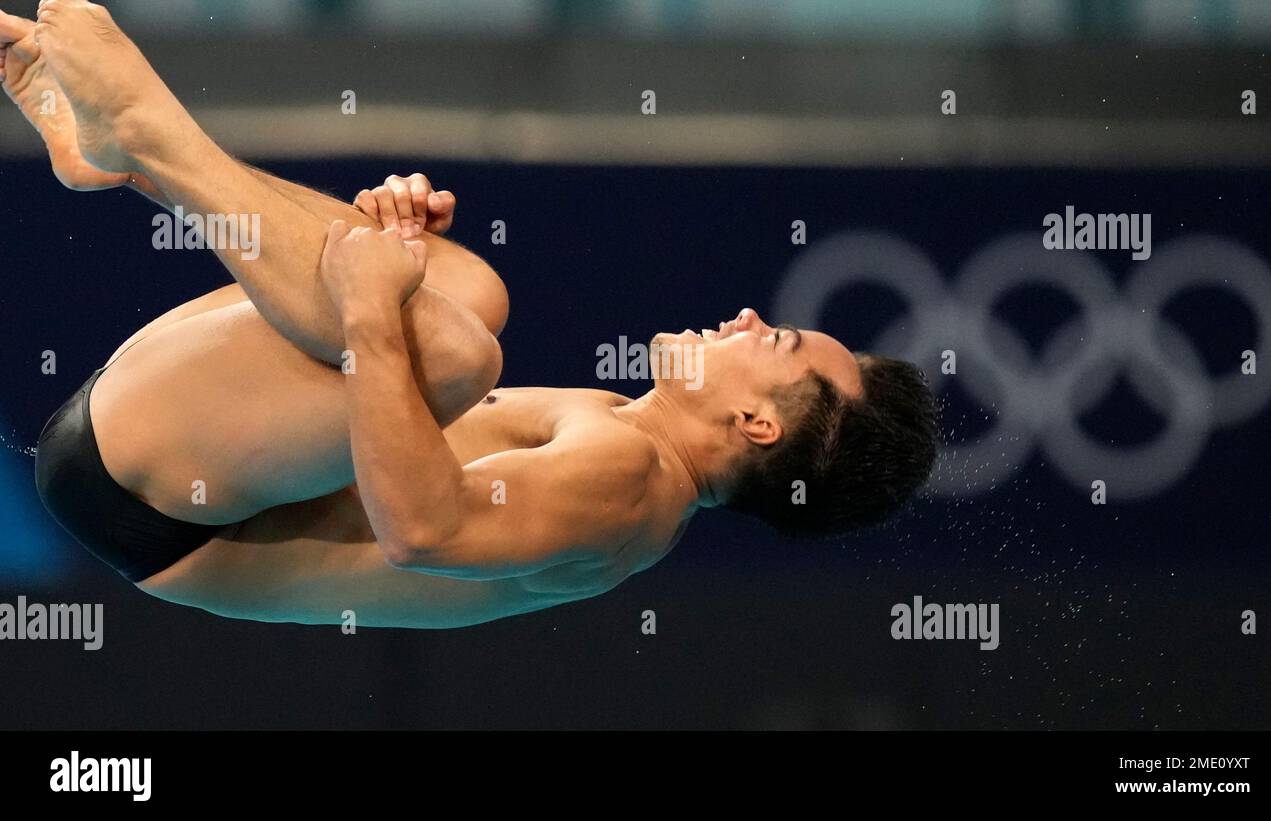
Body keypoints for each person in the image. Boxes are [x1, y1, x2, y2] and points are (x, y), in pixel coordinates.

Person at [5, 2, 938, 629]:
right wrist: (389, 258)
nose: (742, 316)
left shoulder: (628, 484)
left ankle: (144, 132)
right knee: (460, 290)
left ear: (758, 422)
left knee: (448, 345)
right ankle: (127, 157)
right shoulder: (627, 442)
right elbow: (358, 400)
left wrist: (373, 311)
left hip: (155, 506)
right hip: (176, 472)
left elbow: (424, 529)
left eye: (769, 338)